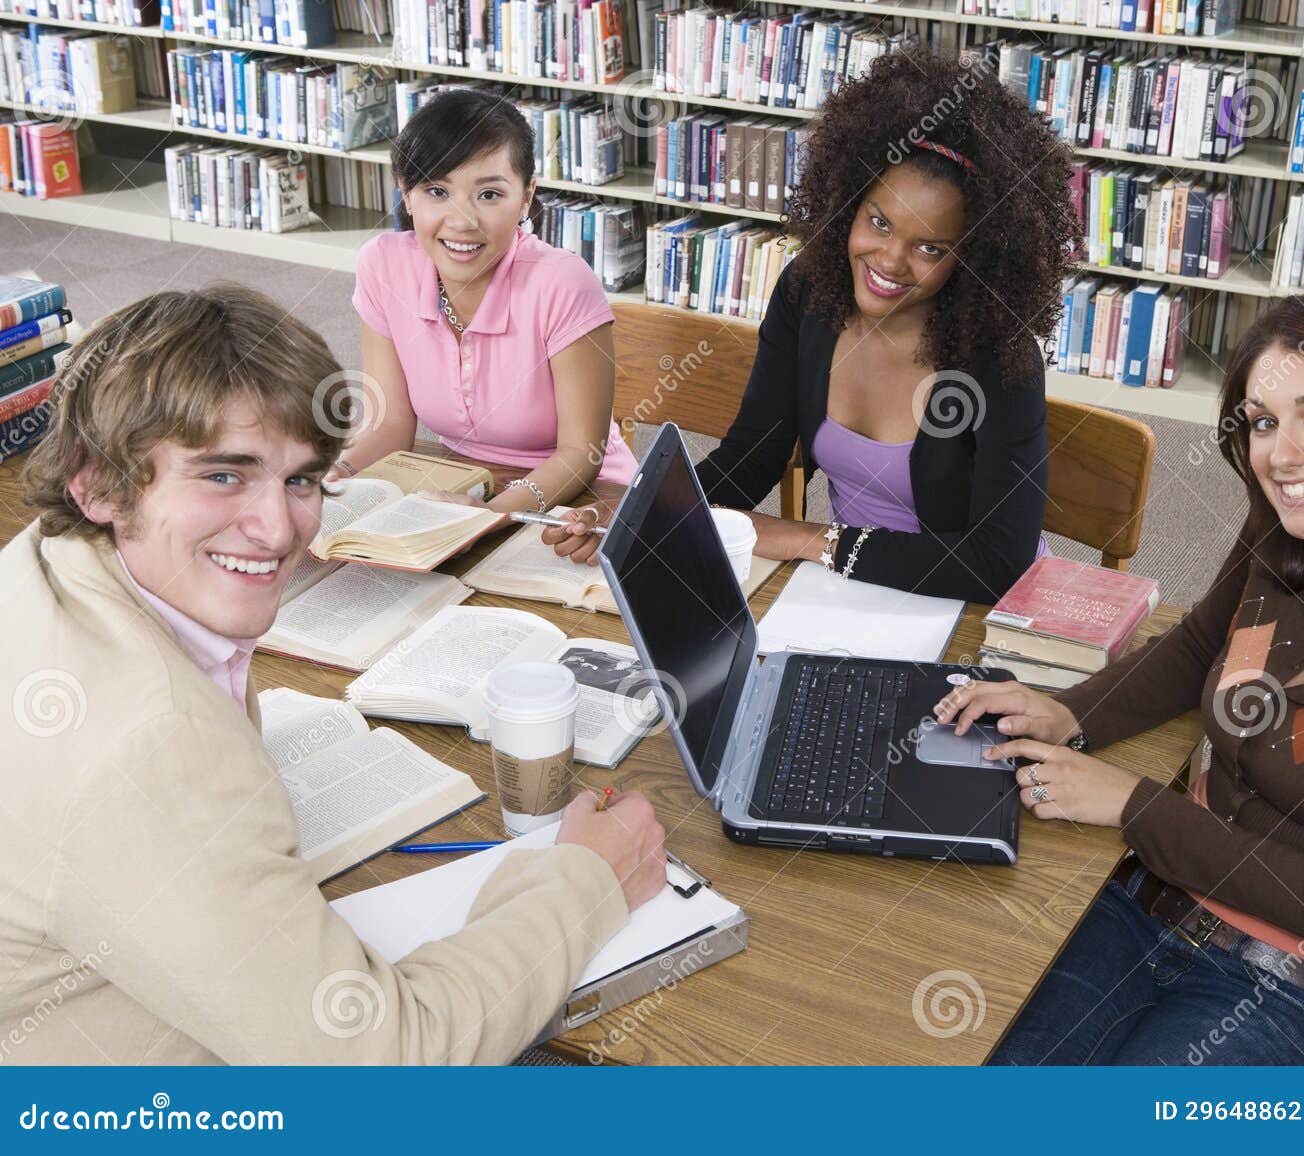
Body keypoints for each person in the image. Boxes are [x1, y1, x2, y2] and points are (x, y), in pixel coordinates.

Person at [1, 285, 666, 1064]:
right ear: (99, 483)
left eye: (301, 480)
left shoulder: (45, 561)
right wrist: (590, 878)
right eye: (223, 475)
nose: (279, 528)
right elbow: (381, 1064)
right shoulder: (150, 743)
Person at [935, 285, 1304, 1065]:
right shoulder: (1284, 545)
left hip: (1293, 989)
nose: (1279, 456)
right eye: (1262, 421)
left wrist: (1132, 803)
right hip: (1143, 906)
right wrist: (1069, 713)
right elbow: (1194, 649)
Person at [544, 48, 1080, 602]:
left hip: (961, 604)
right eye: (878, 221)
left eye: (929, 247)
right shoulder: (810, 293)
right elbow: (751, 458)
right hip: (847, 590)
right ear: (847, 202)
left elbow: (997, 563)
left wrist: (808, 540)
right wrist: (640, 511)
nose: (891, 261)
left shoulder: (997, 355)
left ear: (976, 255)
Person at [337, 87, 636, 516]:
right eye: (437, 191)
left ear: (526, 198)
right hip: (463, 486)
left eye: (489, 195)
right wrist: (338, 475)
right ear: (406, 193)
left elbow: (579, 454)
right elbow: (391, 425)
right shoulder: (383, 266)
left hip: (585, 503)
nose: (462, 222)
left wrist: (493, 516)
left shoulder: (563, 283)